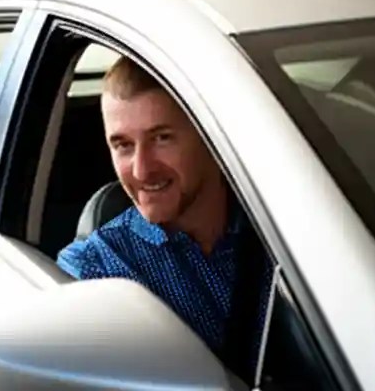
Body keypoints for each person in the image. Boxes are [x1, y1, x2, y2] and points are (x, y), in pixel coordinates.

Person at [57, 55, 270, 381]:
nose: (142, 170)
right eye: (123, 145)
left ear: (211, 134)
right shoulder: (93, 271)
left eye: (161, 138)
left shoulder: (282, 229)